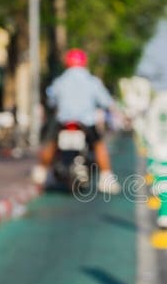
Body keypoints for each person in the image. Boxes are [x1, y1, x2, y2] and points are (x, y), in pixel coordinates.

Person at [34, 48, 121, 194]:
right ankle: (106, 178)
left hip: (64, 121)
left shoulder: (60, 80)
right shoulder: (92, 81)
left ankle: (41, 172)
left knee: (51, 144)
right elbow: (106, 102)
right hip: (86, 122)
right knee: (99, 145)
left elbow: (51, 100)